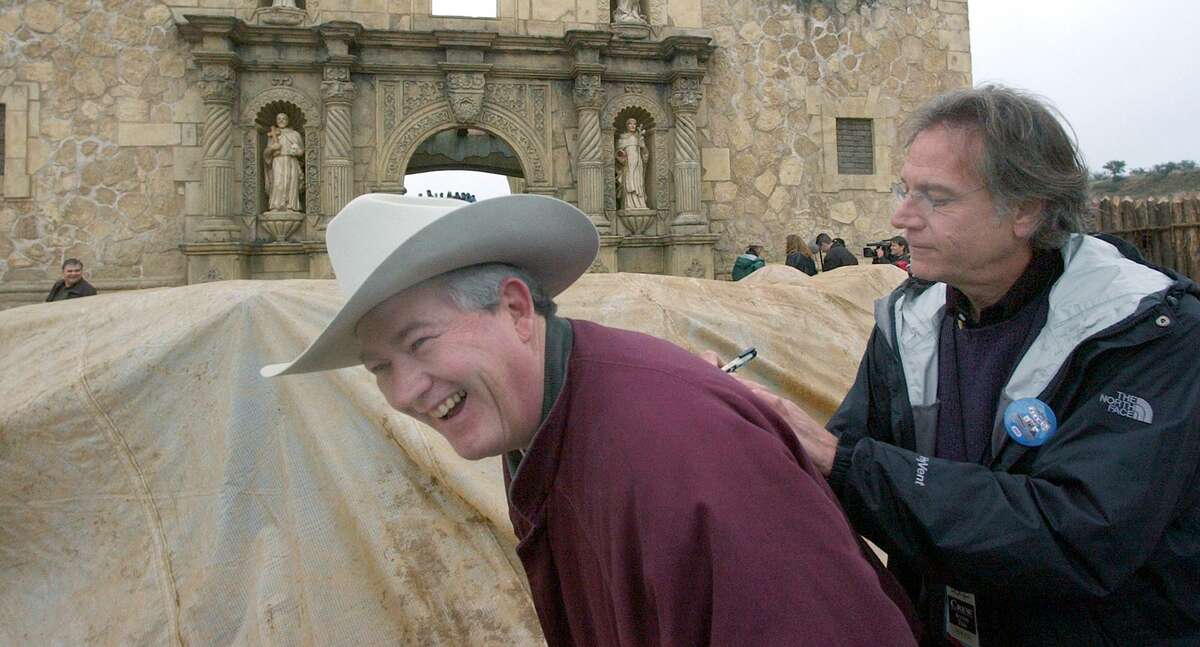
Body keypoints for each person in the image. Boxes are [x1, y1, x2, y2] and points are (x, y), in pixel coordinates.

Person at [261, 194, 917, 646]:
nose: (404, 391)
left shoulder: (677, 446)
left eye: (420, 342)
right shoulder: (542, 421)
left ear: (517, 310)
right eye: (379, 366)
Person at [745, 85, 1200, 645]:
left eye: (935, 197)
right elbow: (836, 473)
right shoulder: (909, 323)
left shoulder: (1147, 333)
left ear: (1026, 209)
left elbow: (1077, 535)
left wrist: (849, 464)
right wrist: (729, 412)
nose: (901, 216)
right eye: (903, 189)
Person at [263, 113, 304, 212]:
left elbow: (302, 151)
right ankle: (276, 206)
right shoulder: (273, 134)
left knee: (291, 182)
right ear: (276, 121)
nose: (281, 120)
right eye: (279, 119)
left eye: (283, 118)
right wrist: (272, 148)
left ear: (288, 120)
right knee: (278, 183)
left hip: (291, 161)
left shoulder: (295, 134)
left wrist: (297, 151)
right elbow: (266, 153)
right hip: (277, 161)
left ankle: (291, 206)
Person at [615, 116, 649, 209]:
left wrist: (642, 145)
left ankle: (640, 204)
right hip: (628, 163)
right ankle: (629, 204)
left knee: (638, 181)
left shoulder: (639, 137)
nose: (633, 126)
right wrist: (622, 156)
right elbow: (617, 153)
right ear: (627, 126)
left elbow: (645, 153)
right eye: (630, 123)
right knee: (629, 181)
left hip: (638, 163)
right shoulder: (623, 138)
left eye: (634, 124)